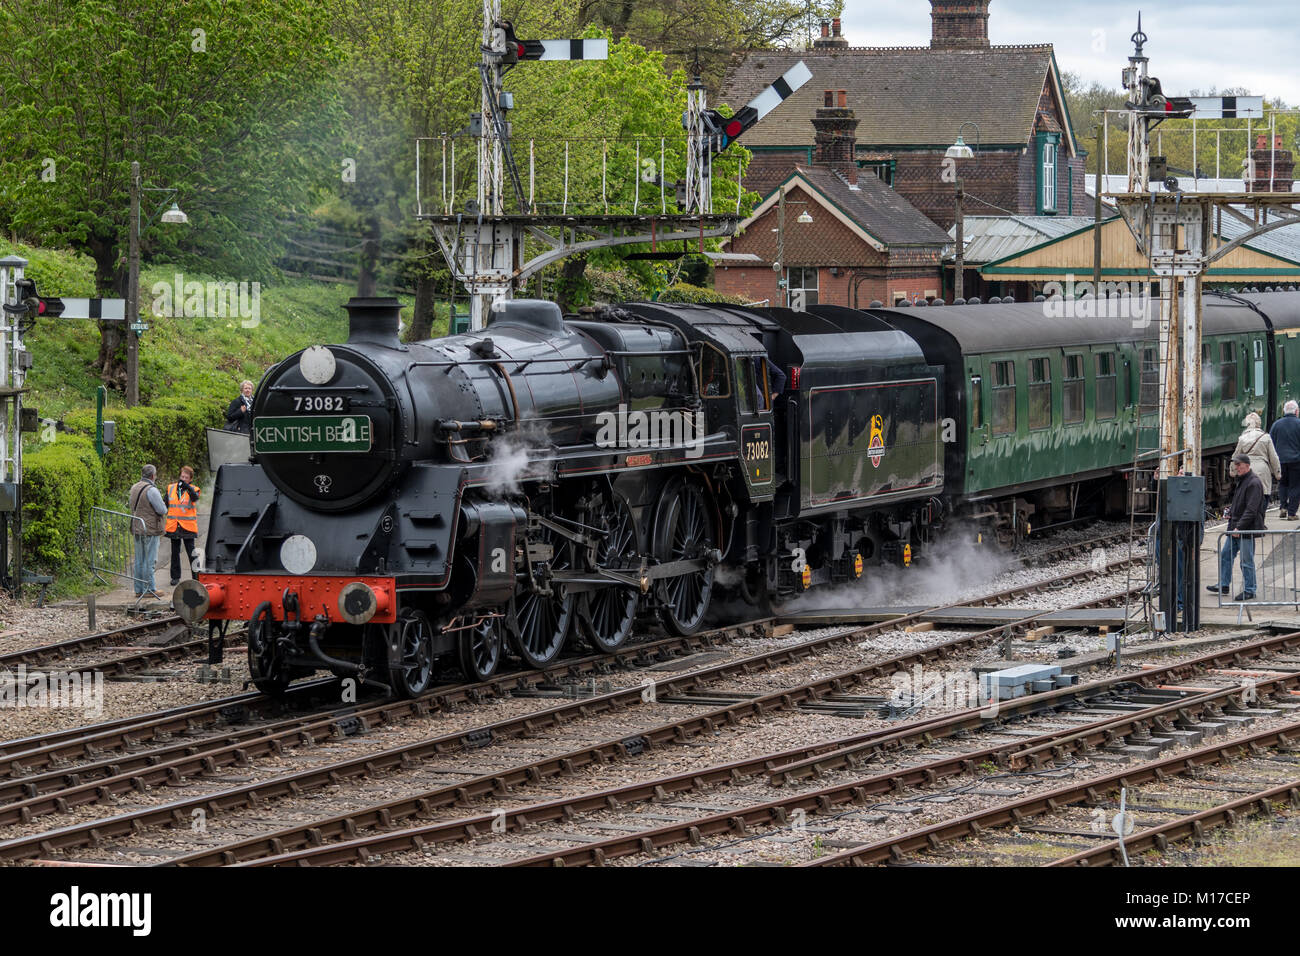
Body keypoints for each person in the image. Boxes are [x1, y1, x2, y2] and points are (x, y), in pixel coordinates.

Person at [1208, 453, 1266, 602]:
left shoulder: (1253, 483)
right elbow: (1240, 505)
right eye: (1236, 464)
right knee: (1226, 554)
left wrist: (1238, 527)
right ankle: (1224, 584)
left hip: (1245, 529)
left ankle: (1250, 589)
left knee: (1246, 560)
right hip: (1236, 527)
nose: (1236, 467)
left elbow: (1251, 510)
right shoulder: (1243, 481)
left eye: (1239, 465)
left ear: (1247, 465)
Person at [128, 464, 167, 599]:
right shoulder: (152, 490)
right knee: (150, 560)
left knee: (139, 559)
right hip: (150, 529)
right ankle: (150, 589)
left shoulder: (134, 487)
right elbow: (162, 510)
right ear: (152, 476)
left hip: (137, 527)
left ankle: (138, 589)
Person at [165, 465, 201, 587]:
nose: (183, 478)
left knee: (191, 552)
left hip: (187, 526)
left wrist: (188, 488)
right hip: (174, 525)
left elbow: (195, 498)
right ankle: (175, 577)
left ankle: (197, 576)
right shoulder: (171, 488)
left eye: (186, 477)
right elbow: (165, 504)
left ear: (190, 479)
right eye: (182, 476)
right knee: (174, 552)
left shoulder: (194, 489)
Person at [1233, 411, 1281, 500]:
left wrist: (1233, 471)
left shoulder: (1242, 438)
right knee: (1263, 496)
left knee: (1247, 498)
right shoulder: (1266, 437)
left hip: (1246, 470)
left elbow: (1236, 457)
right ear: (1259, 423)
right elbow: (1273, 457)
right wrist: (1277, 473)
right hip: (1263, 471)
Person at [1269, 400, 1300, 518]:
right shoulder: (1299, 423)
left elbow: (1270, 442)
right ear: (1296, 411)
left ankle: (1283, 507)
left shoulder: (1276, 424)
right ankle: (1292, 513)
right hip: (1296, 461)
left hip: (1280, 461)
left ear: (1284, 411)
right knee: (1295, 486)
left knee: (1282, 484)